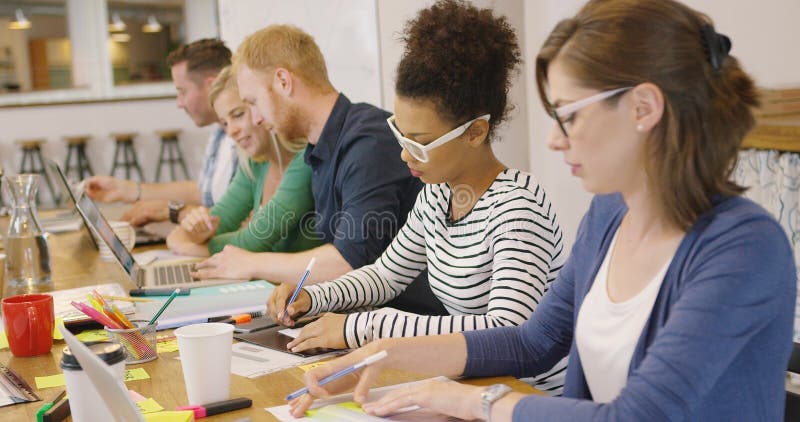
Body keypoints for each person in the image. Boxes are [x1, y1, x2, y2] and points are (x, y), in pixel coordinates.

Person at [288, 0, 797, 420]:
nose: (554, 140)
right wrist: (386, 356)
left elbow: (640, 414)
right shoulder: (609, 215)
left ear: (643, 108)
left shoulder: (744, 248)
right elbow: (533, 340)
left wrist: (469, 400)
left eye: (568, 115)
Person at [268, 0, 567, 395]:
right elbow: (386, 276)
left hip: (527, 395)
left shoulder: (518, 208)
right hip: (473, 387)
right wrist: (314, 297)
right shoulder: (436, 196)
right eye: (401, 135)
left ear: (475, 132)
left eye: (420, 143)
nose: (405, 156)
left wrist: (363, 326)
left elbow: (505, 332)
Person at [191, 24, 445, 316]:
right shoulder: (320, 150)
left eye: (254, 102)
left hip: (417, 324)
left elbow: (348, 262)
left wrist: (249, 263)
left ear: (283, 81)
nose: (257, 118)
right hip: (368, 315)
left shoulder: (368, 141)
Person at [166, 66, 321, 257]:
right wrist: (193, 230)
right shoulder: (256, 164)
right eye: (225, 123)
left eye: (238, 115)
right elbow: (218, 221)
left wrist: (191, 246)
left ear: (261, 107)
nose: (231, 131)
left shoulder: (305, 160)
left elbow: (254, 241)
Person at [84, 39, 239, 226]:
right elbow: (202, 193)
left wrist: (172, 211)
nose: (179, 103)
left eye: (182, 92)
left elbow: (242, 221)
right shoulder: (219, 137)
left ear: (211, 85)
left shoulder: (246, 140)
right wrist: (124, 189)